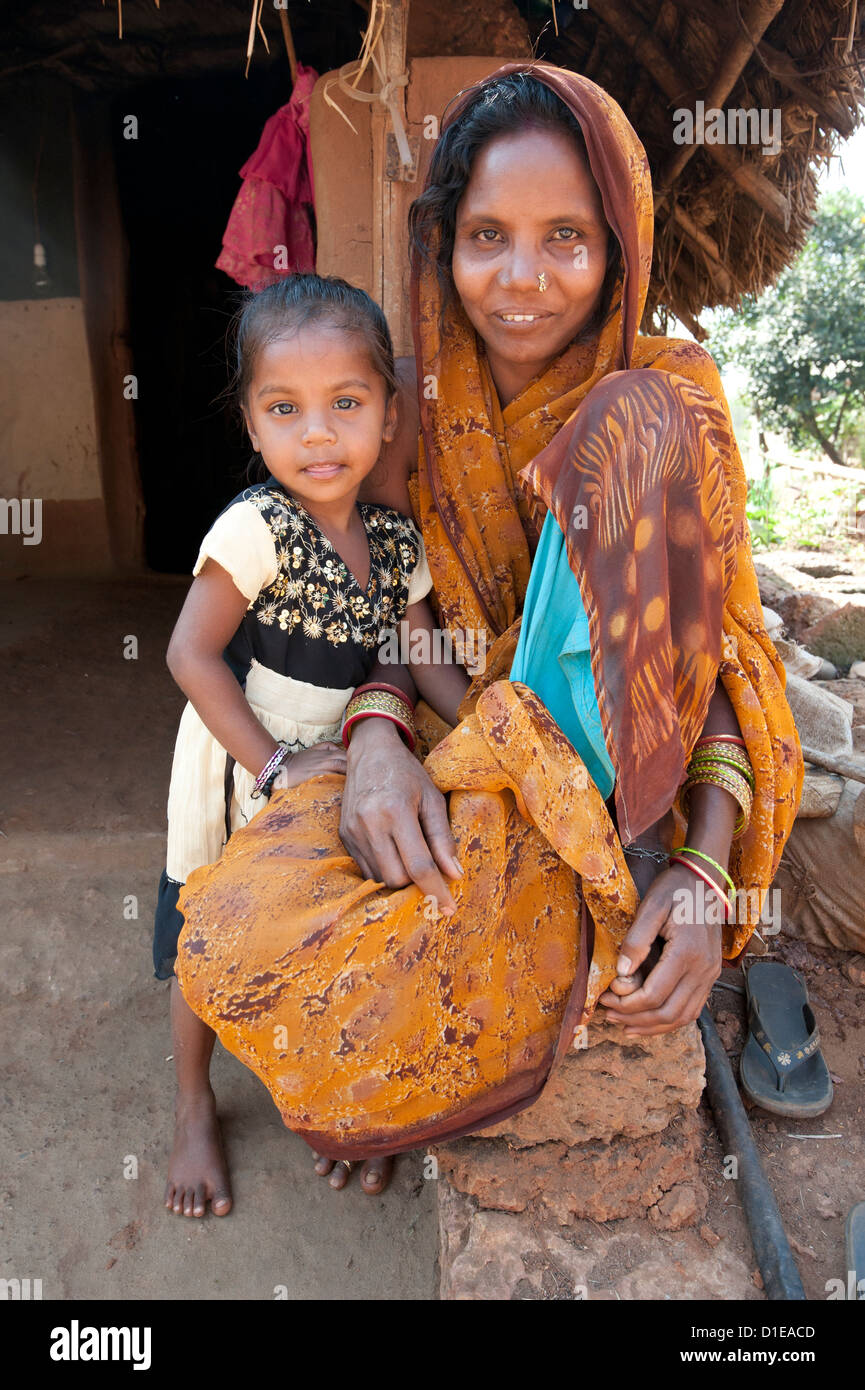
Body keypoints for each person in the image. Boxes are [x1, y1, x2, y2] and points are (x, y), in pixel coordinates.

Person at [174, 64, 803, 1194]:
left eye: (567, 235)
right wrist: (373, 737)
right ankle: (390, 1100)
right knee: (237, 921)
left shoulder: (667, 398)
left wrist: (708, 873)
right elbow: (394, 611)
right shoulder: (404, 409)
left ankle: (587, 899)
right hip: (465, 746)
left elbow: (717, 662)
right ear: (442, 244)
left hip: (618, 788)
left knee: (631, 425)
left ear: (622, 247)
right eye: (486, 237)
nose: (522, 280)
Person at [156, 274, 470, 1217]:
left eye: (346, 404)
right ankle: (192, 1106)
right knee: (207, 935)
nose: (318, 434)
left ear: (387, 414)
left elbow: (419, 652)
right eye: (284, 409)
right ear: (252, 428)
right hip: (241, 760)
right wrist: (272, 763)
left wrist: (490, 722)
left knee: (317, 932)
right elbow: (189, 654)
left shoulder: (393, 539)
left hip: (336, 764)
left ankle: (325, 1099)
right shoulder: (254, 528)